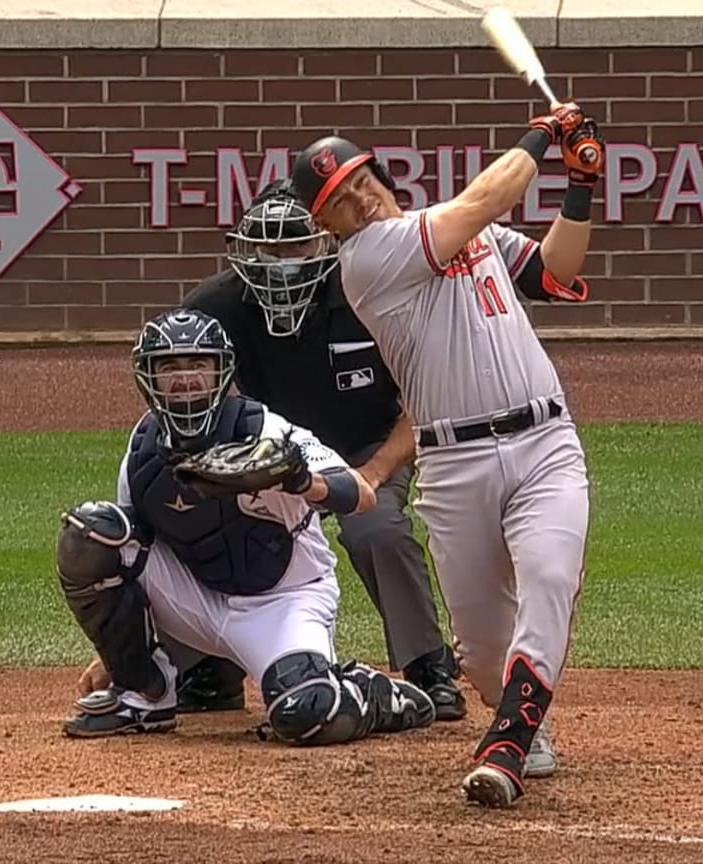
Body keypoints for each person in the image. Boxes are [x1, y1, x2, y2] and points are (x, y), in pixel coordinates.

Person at [288, 104, 602, 806]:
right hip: (456, 465)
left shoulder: (460, 227)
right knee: (484, 649)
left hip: (544, 442)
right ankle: (521, 719)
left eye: (361, 181)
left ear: (379, 174)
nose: (358, 199)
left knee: (550, 575)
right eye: (339, 200)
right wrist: (547, 135)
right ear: (325, 225)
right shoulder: (370, 257)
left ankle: (510, 741)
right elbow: (487, 197)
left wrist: (579, 188)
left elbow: (554, 273)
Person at [54, 307, 437, 747]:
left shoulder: (263, 428)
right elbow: (130, 552)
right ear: (147, 378)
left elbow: (360, 495)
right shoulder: (144, 445)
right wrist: (120, 655)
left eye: (199, 364)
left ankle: (370, 694)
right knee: (90, 532)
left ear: (222, 372)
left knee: (307, 714)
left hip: (282, 600)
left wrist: (297, 480)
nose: (185, 379)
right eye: (170, 367)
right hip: (196, 596)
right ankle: (144, 694)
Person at [167, 179, 466, 724]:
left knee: (375, 530)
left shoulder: (366, 292)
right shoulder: (211, 309)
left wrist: (374, 471)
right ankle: (208, 667)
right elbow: (183, 403)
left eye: (295, 246)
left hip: (361, 447)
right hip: (262, 464)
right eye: (268, 248)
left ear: (324, 242)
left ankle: (427, 663)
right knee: (203, 522)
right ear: (245, 249)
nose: (281, 262)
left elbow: (423, 400)